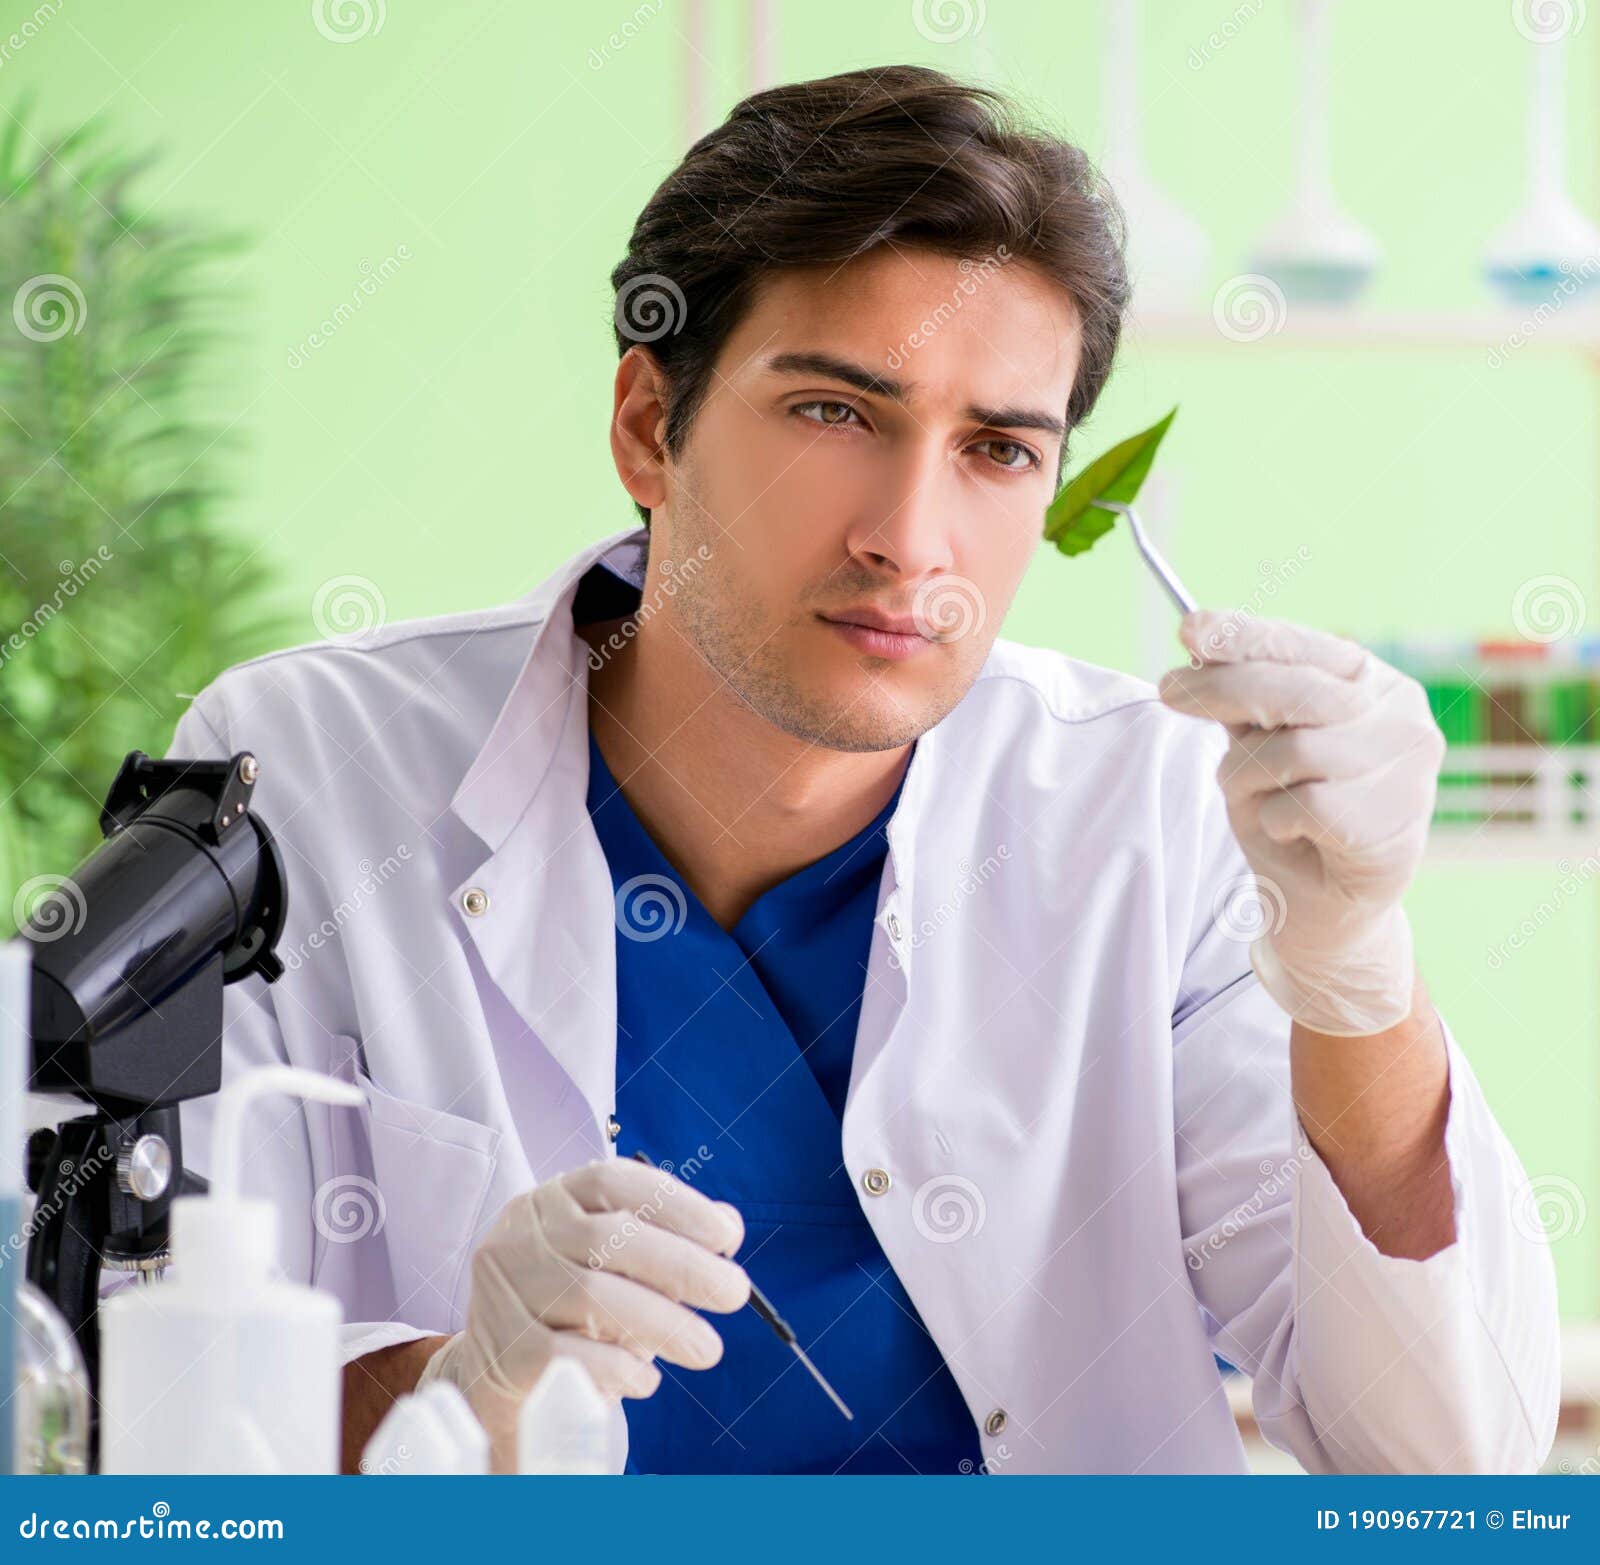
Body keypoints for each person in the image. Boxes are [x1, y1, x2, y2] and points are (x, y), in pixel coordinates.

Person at [164, 66, 1559, 1475]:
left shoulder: (1156, 820)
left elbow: (1448, 1464)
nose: (912, 536)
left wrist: (1358, 970)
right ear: (652, 424)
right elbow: (151, 1425)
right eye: (837, 412)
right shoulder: (304, 778)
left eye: (1000, 450)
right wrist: (461, 1390)